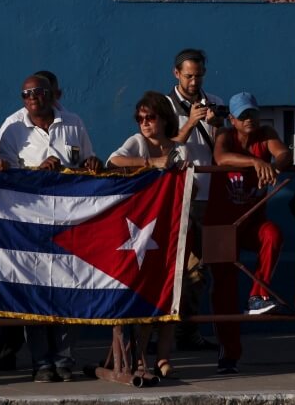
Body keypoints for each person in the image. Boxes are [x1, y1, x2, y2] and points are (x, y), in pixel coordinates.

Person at [0, 74, 100, 383]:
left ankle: (64, 361)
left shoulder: (73, 122)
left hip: (69, 223)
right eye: (25, 94)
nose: (31, 98)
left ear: (51, 94)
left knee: (69, 290)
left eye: (37, 92)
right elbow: (4, 178)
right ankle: (41, 362)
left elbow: (87, 160)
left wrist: (91, 163)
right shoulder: (11, 127)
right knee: (36, 295)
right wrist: (36, 173)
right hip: (32, 227)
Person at [206, 92, 290, 374]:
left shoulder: (266, 134)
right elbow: (220, 158)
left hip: (252, 224)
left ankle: (258, 296)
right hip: (221, 226)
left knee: (273, 234)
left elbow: (284, 154)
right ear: (232, 119)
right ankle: (229, 354)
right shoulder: (225, 135)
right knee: (224, 290)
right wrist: (255, 162)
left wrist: (274, 165)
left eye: (252, 113)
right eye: (242, 115)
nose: (248, 119)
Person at [108, 92, 185, 378]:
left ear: (164, 119)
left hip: (170, 232)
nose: (144, 123)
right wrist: (150, 163)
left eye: (150, 117)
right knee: (144, 291)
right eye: (140, 118)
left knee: (171, 293)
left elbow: (190, 185)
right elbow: (113, 161)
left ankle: (163, 357)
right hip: (138, 233)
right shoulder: (137, 142)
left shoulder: (179, 149)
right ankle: (139, 358)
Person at [162, 48, 225, 352]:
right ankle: (165, 334)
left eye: (198, 75)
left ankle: (188, 332)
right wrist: (189, 122)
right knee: (174, 268)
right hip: (178, 198)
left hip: (210, 197)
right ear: (176, 73)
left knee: (201, 269)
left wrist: (217, 124)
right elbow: (163, 149)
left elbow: (223, 148)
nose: (194, 81)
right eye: (188, 76)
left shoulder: (215, 101)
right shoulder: (163, 106)